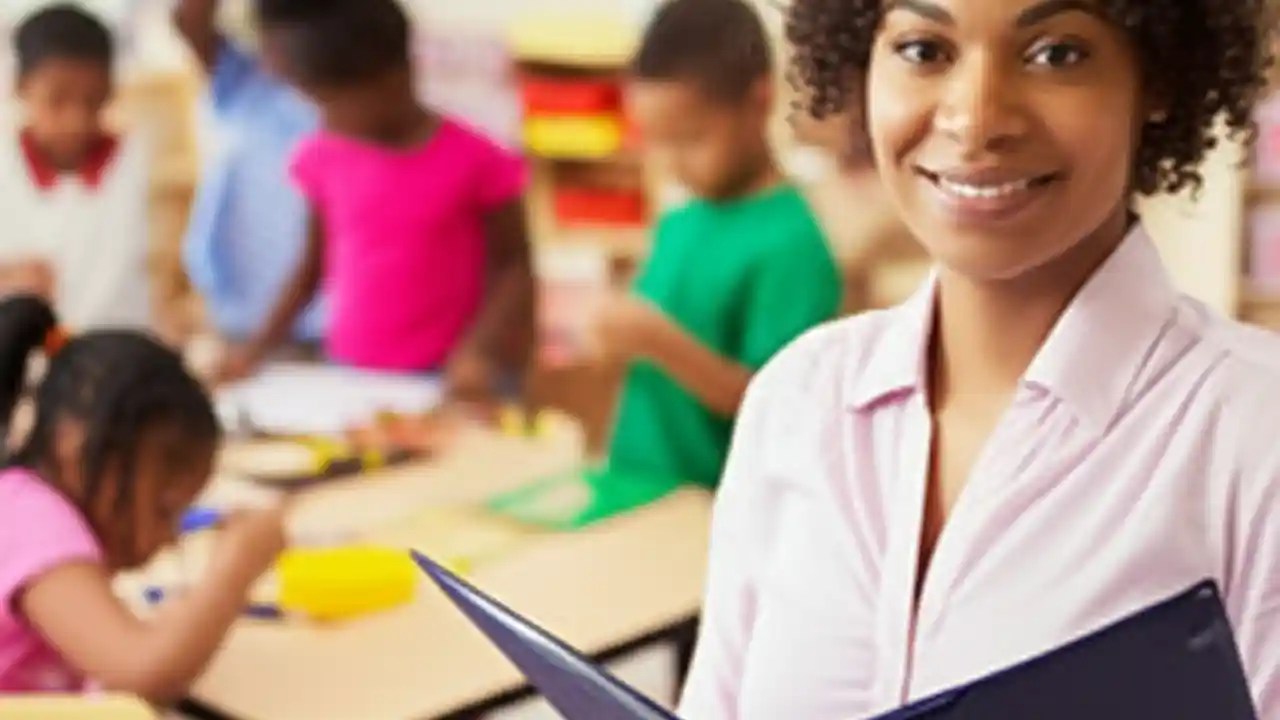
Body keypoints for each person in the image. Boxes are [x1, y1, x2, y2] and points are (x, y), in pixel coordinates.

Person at [677, 0, 1280, 717]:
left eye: (1057, 53)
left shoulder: (1254, 436)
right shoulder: (799, 399)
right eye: (925, 50)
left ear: (1157, 80)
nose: (976, 117)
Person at [219, 0, 535, 404]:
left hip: (444, 382)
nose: (325, 118)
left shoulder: (479, 159)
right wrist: (256, 349)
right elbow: (310, 268)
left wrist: (479, 351)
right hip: (352, 377)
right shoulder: (323, 157)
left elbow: (515, 267)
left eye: (333, 102)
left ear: (393, 79)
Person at [598, 0, 841, 489]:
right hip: (634, 480)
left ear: (760, 101)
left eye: (689, 139)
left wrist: (657, 340)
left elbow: (775, 403)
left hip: (716, 504)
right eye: (656, 141)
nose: (671, 163)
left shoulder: (791, 243)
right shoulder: (683, 219)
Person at [0, 295, 287, 700]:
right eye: (164, 510)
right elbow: (143, 673)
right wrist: (234, 568)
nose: (169, 538)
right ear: (75, 446)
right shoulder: (34, 522)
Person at [174, 0, 325, 357]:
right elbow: (188, 17)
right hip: (240, 323)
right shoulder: (243, 82)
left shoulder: (348, 102)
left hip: (322, 333)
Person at [0, 5, 152, 331]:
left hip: (110, 356)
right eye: (57, 100)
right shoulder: (5, 165)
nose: (76, 121)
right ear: (20, 86)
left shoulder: (136, 163)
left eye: (93, 101)